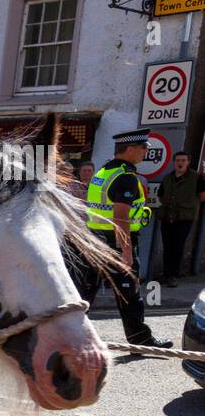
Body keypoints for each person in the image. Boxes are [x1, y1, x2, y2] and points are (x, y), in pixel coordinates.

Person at [80, 129, 171, 349]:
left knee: (85, 293)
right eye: (142, 148)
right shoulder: (126, 178)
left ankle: (68, 337)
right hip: (116, 245)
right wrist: (127, 252)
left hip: (95, 240)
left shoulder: (103, 171)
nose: (145, 152)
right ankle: (140, 340)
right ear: (130, 149)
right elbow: (121, 218)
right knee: (129, 295)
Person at [158, 152, 203, 287]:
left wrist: (189, 204)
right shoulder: (167, 178)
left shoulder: (196, 177)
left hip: (184, 217)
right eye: (178, 160)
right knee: (167, 245)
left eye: (183, 160)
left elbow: (203, 196)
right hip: (167, 216)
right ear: (174, 162)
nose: (180, 163)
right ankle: (166, 274)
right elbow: (161, 195)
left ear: (188, 162)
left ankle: (173, 275)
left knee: (177, 246)